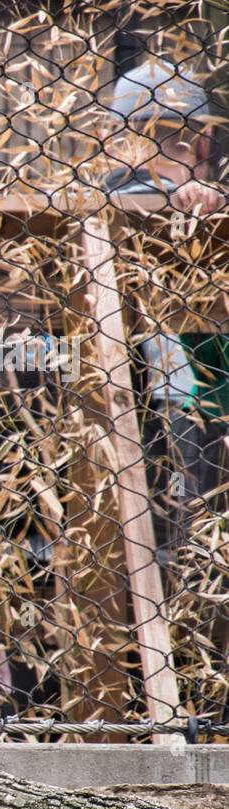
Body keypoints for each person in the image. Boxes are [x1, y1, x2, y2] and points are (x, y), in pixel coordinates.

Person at [104, 57, 229, 563]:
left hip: (140, 404)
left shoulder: (100, 201)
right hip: (193, 404)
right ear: (203, 140)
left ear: (114, 138)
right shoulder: (129, 198)